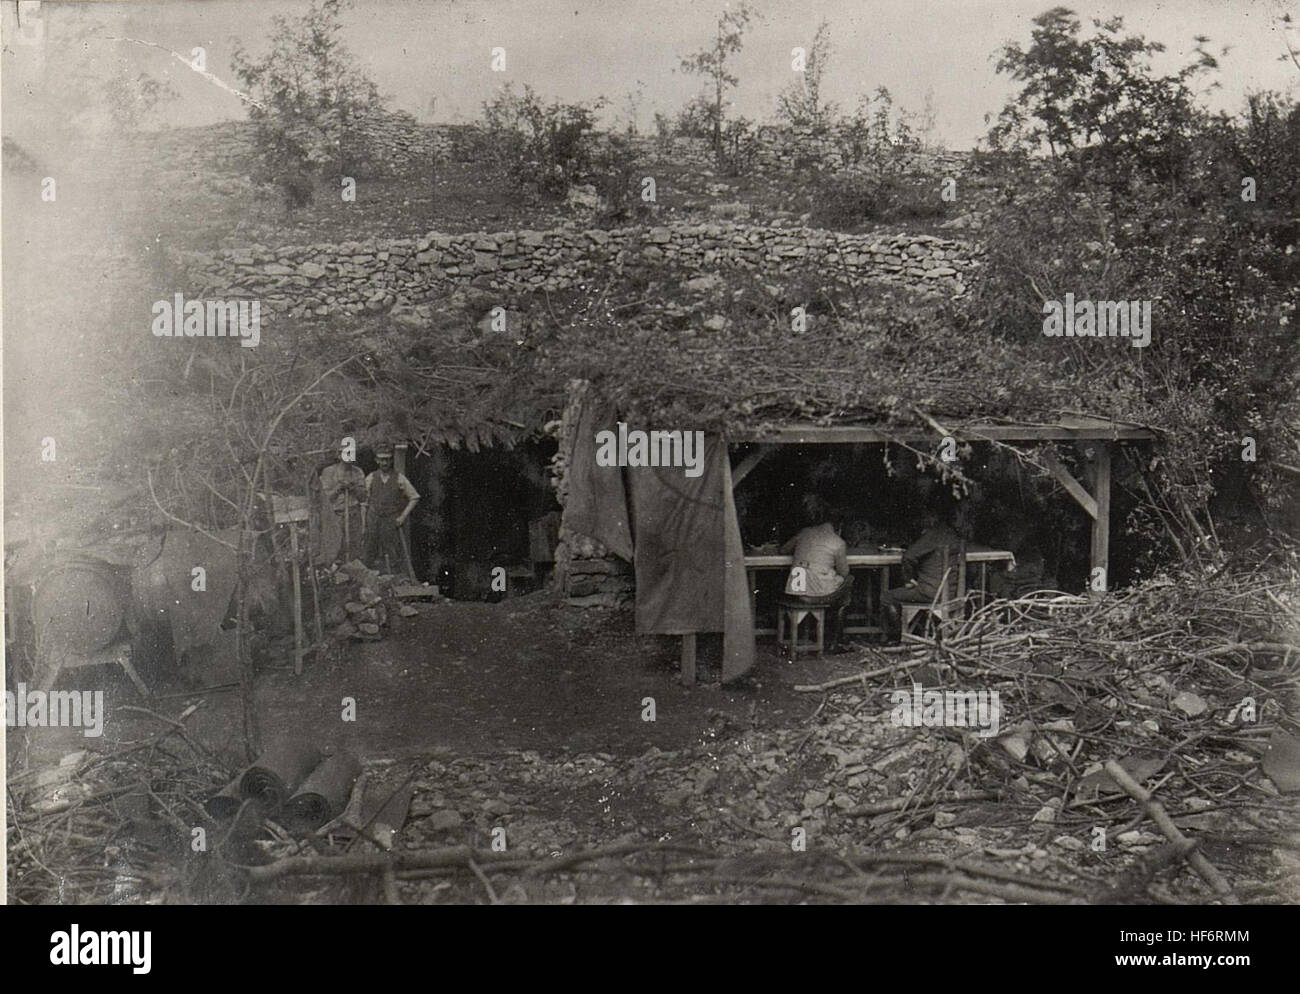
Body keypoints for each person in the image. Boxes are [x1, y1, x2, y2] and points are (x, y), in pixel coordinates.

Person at [880, 505, 963, 641]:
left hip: (930, 593)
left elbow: (908, 557)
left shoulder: (932, 535)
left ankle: (896, 636)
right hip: (951, 593)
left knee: (887, 597)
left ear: (932, 519)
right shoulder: (953, 535)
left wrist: (908, 580)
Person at [780, 519, 854, 653]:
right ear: (839, 528)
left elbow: (784, 549)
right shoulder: (838, 542)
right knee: (848, 581)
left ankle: (817, 633)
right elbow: (844, 572)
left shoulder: (805, 532)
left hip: (795, 592)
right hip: (818, 596)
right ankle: (835, 641)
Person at [363, 445, 420, 575]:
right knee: (369, 548)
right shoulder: (371, 478)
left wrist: (402, 517)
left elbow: (414, 497)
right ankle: (369, 581)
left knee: (391, 551)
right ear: (376, 460)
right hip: (373, 518)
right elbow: (364, 501)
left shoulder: (399, 478)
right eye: (381, 459)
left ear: (391, 460)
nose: (384, 463)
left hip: (390, 519)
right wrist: (364, 520)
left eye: (388, 459)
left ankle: (392, 580)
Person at [318, 451, 367, 565]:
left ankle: (354, 575)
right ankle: (337, 574)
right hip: (335, 515)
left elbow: (363, 497)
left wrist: (353, 487)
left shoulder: (357, 472)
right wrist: (338, 488)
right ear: (339, 455)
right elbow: (325, 499)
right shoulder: (329, 472)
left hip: (354, 513)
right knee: (335, 546)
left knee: (354, 545)